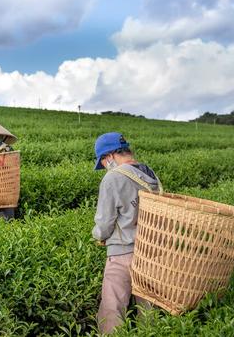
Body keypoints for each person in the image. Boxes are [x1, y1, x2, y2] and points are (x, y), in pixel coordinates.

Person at [92, 132, 161, 334]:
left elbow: (104, 223)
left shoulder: (113, 178)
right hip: (151, 251)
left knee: (112, 310)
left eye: (103, 161)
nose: (104, 165)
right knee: (148, 311)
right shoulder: (150, 174)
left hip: (123, 254)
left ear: (110, 156)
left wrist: (98, 236)